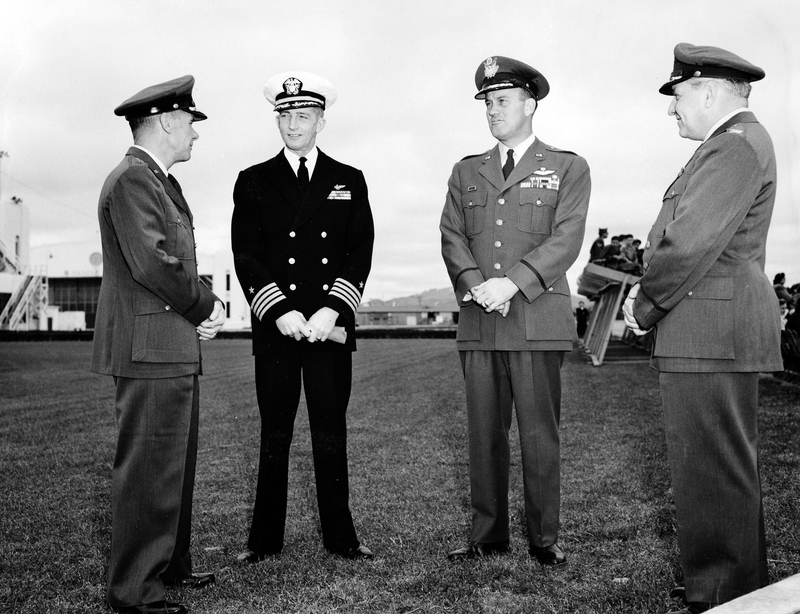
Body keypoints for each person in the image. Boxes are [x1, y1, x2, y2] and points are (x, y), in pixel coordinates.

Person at [622, 43, 781, 613]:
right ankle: (728, 581)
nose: (673, 109)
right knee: (720, 466)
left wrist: (642, 307)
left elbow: (687, 243)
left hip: (709, 327)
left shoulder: (733, 148)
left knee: (713, 469)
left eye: (679, 94)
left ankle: (725, 592)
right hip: (709, 325)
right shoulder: (731, 145)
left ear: (709, 90)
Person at [440, 55, 590, 566]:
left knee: (539, 435)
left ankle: (544, 539)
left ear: (530, 104)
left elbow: (567, 239)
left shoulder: (567, 166)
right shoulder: (466, 171)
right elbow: (451, 235)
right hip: (480, 320)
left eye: (502, 101)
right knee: (484, 437)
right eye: (487, 102)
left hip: (536, 321)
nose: (491, 110)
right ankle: (488, 536)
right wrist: (475, 284)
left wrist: (514, 283)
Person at [91, 75, 225, 614]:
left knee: (170, 466)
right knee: (148, 471)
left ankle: (170, 567)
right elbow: (153, 263)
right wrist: (206, 305)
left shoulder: (155, 178)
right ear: (167, 120)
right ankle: (135, 592)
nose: (196, 133)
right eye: (191, 122)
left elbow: (171, 263)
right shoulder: (133, 181)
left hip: (166, 345)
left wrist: (200, 307)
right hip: (151, 349)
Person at [231, 71, 375, 563]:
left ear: (321, 120)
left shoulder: (348, 179)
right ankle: (264, 541)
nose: (293, 124)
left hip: (329, 328)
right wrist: (281, 310)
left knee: (331, 432)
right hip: (280, 330)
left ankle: (342, 538)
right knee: (274, 435)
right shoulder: (252, 180)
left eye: (303, 115)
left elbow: (360, 254)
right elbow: (246, 255)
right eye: (285, 115)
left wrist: (332, 307)